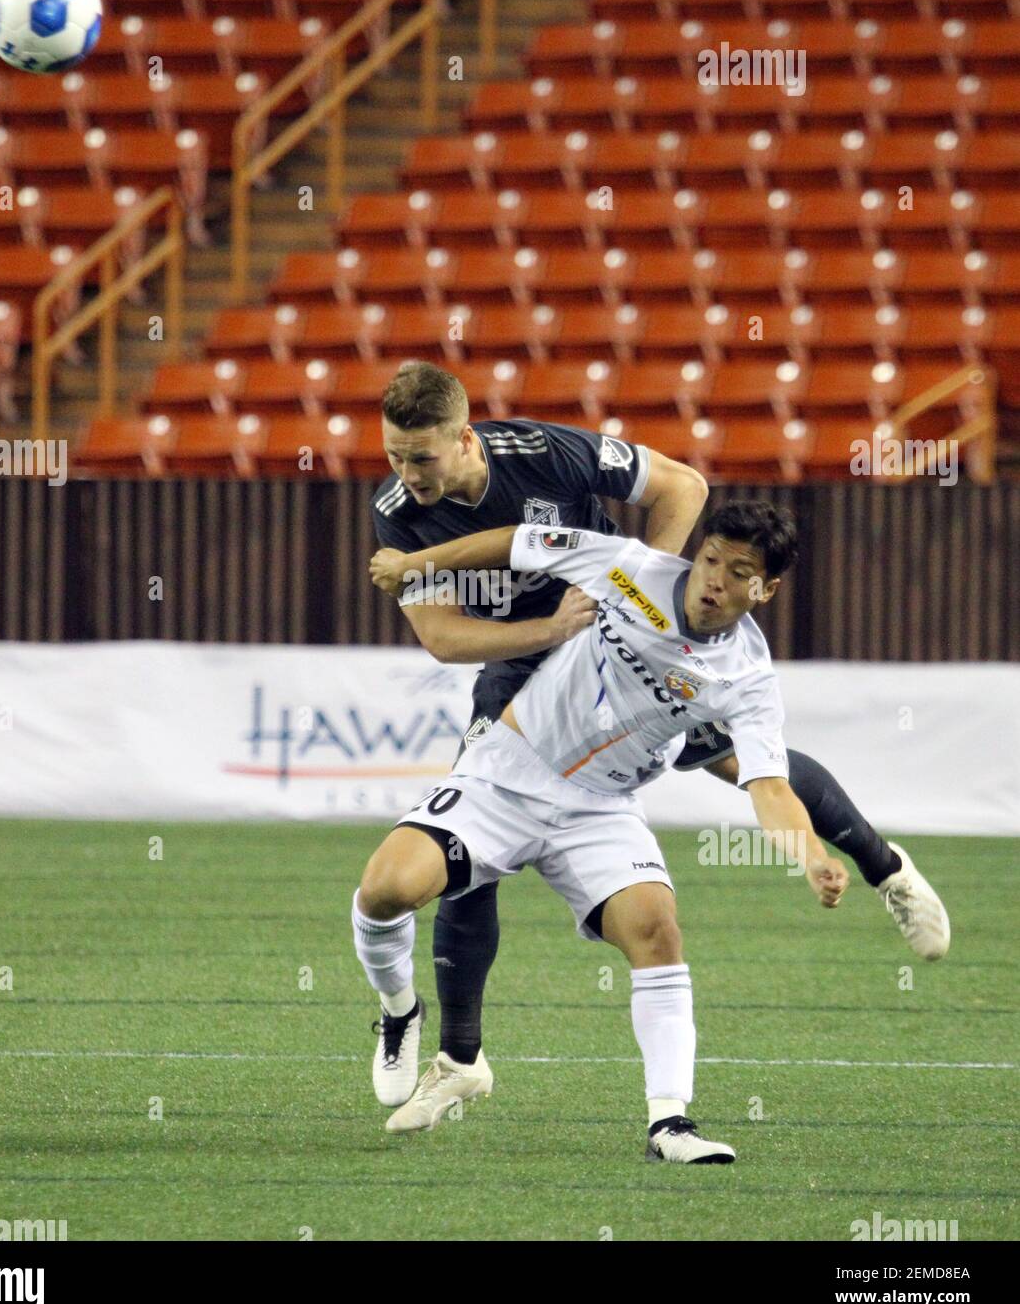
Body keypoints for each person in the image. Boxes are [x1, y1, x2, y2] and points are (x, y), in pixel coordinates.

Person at [368, 361, 950, 1128]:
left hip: (631, 638)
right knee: (464, 856)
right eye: (392, 456)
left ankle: (887, 870)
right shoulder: (397, 510)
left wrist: (648, 608)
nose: (405, 474)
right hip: (519, 664)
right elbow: (443, 640)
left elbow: (683, 487)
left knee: (745, 760)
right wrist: (552, 630)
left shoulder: (548, 453)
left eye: (420, 458)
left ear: (463, 440)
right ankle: (460, 1060)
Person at [355, 502, 852, 1160]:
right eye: (709, 561)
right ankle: (398, 1011)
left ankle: (670, 1125)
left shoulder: (748, 679)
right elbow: (519, 539)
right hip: (506, 772)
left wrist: (809, 855)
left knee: (657, 931)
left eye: (738, 574)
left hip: (600, 811)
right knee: (387, 889)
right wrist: (416, 564)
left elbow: (767, 783)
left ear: (766, 589)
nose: (713, 582)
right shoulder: (627, 567)